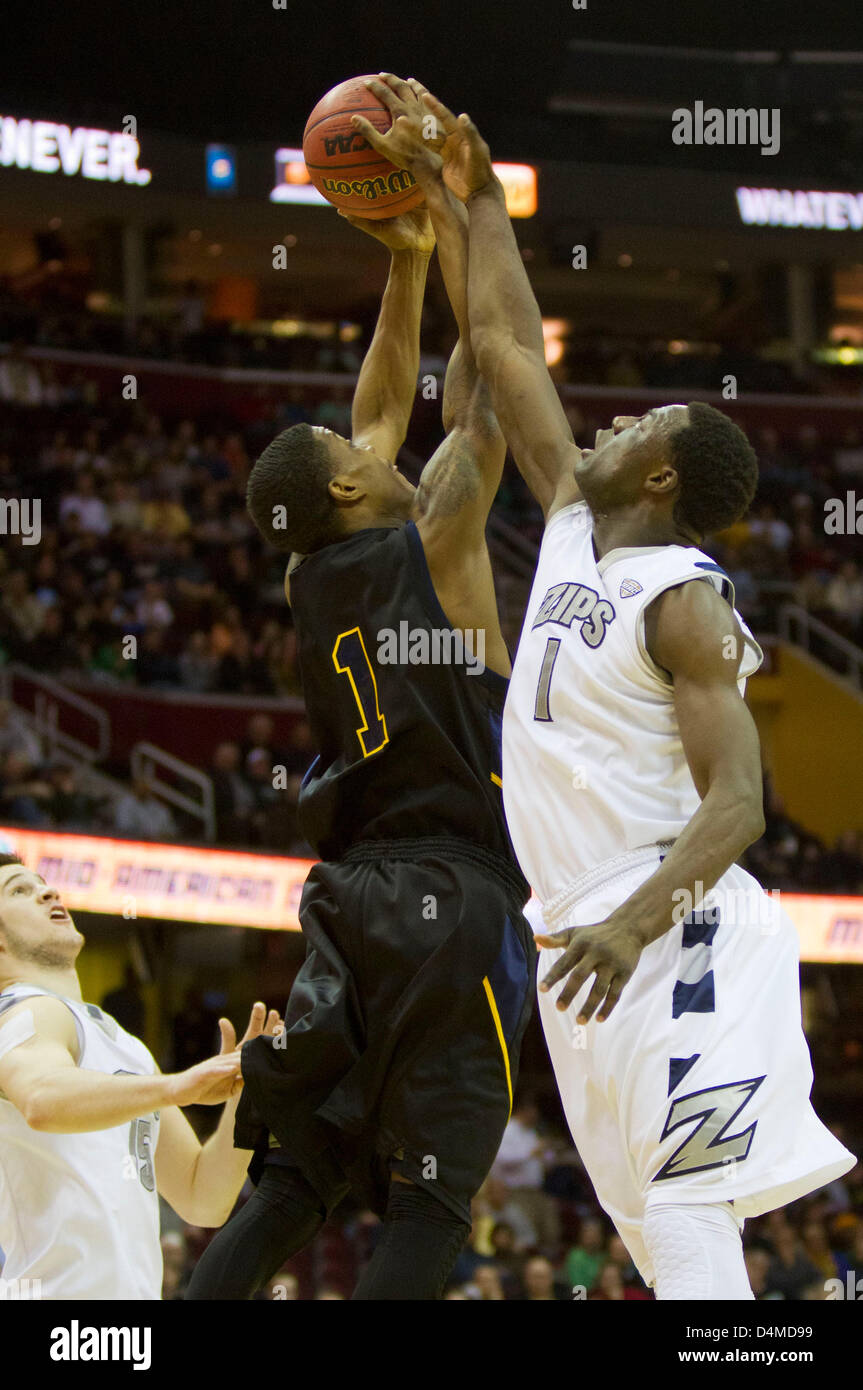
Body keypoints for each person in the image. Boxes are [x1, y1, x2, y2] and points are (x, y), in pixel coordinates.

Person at [361, 82, 856, 1301]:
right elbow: (503, 349)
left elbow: (740, 800)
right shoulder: (581, 520)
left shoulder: (685, 597)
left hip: (668, 920)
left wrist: (639, 922)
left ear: (661, 473)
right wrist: (473, 199)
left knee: (682, 1206)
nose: (616, 414)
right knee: (650, 1229)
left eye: (641, 417)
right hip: (578, 931)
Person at [185, 77, 533, 1303]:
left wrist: (397, 261)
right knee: (433, 1194)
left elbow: (382, 410)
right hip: (454, 885)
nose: (364, 439)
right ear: (350, 492)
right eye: (350, 456)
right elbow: (484, 386)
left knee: (299, 1178)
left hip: (352, 898)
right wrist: (458, 216)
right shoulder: (433, 534)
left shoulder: (312, 570)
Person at [0, 852, 282, 1298]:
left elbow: (200, 1197)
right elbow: (39, 1098)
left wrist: (248, 1098)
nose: (48, 891)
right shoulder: (22, 1012)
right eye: (19, 890)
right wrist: (176, 1086)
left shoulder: (123, 1044)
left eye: (42, 883)